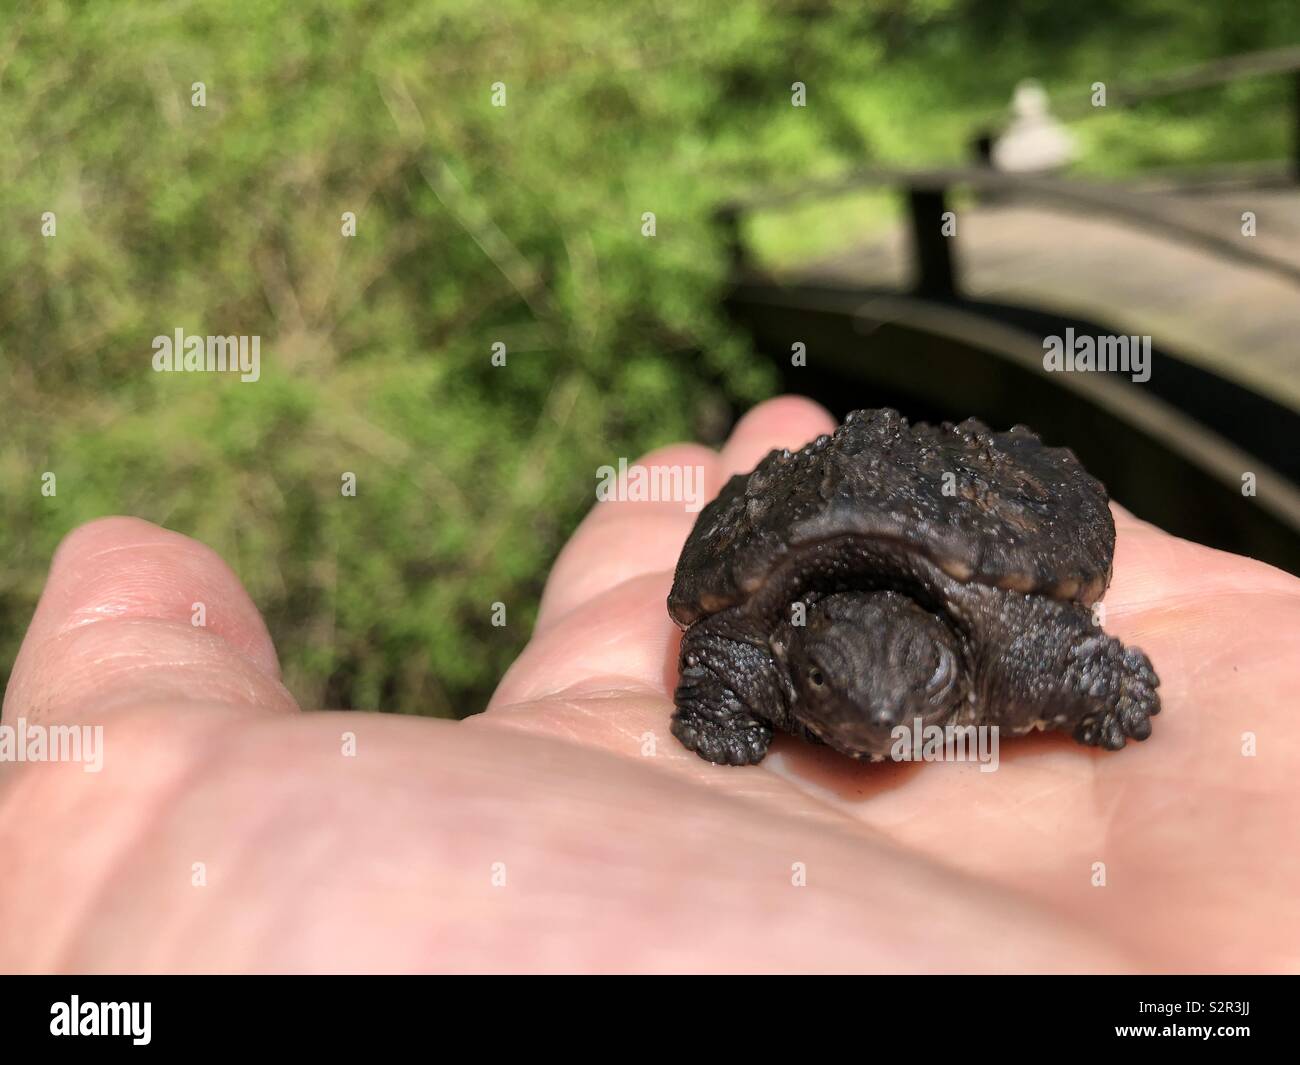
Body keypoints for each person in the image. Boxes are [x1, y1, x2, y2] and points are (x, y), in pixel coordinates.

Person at [1, 397, 1296, 972]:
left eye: (912, 708)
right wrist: (719, 713)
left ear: (965, 660)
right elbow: (722, 657)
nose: (887, 734)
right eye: (852, 708)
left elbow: (1086, 660)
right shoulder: (752, 641)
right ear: (795, 668)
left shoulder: (1011, 645)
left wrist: (1106, 691)